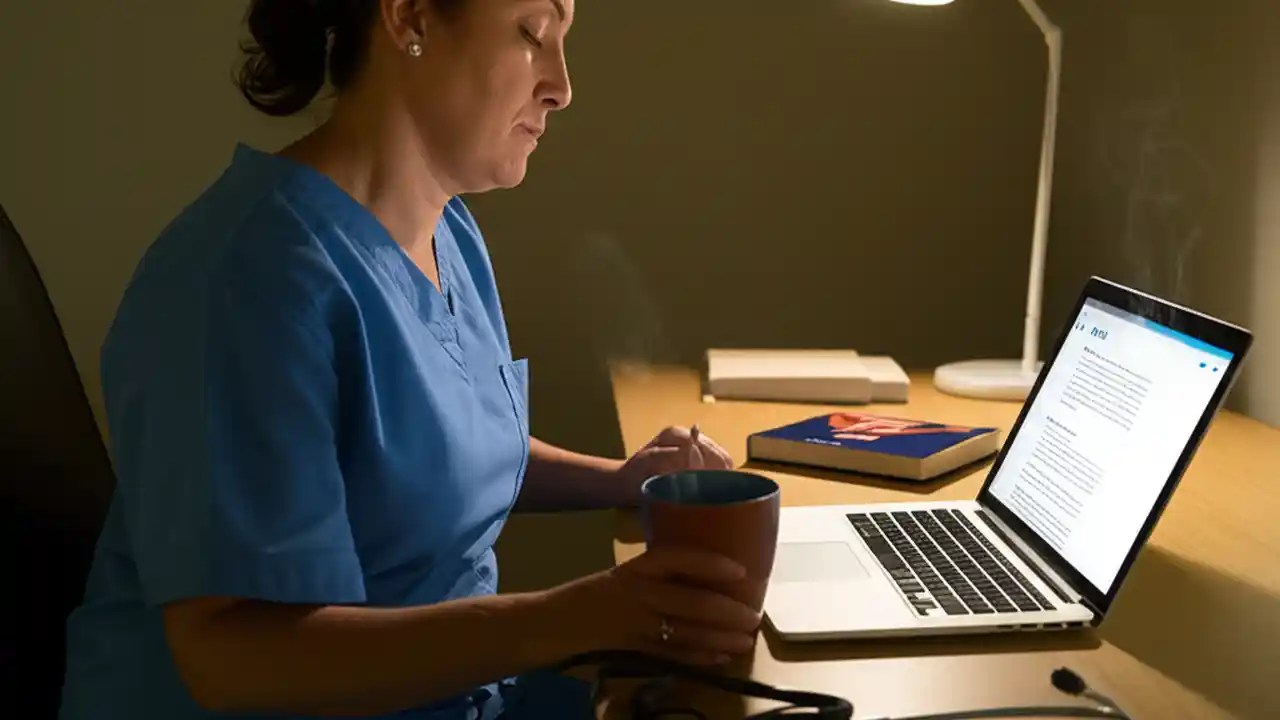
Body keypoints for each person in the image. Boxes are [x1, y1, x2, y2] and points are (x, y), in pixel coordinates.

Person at [58, 1, 761, 718]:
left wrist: (618, 480)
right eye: (533, 34)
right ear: (411, 18)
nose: (562, 86)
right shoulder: (248, 281)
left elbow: (430, 452)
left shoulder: (446, 231)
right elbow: (230, 658)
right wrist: (575, 618)